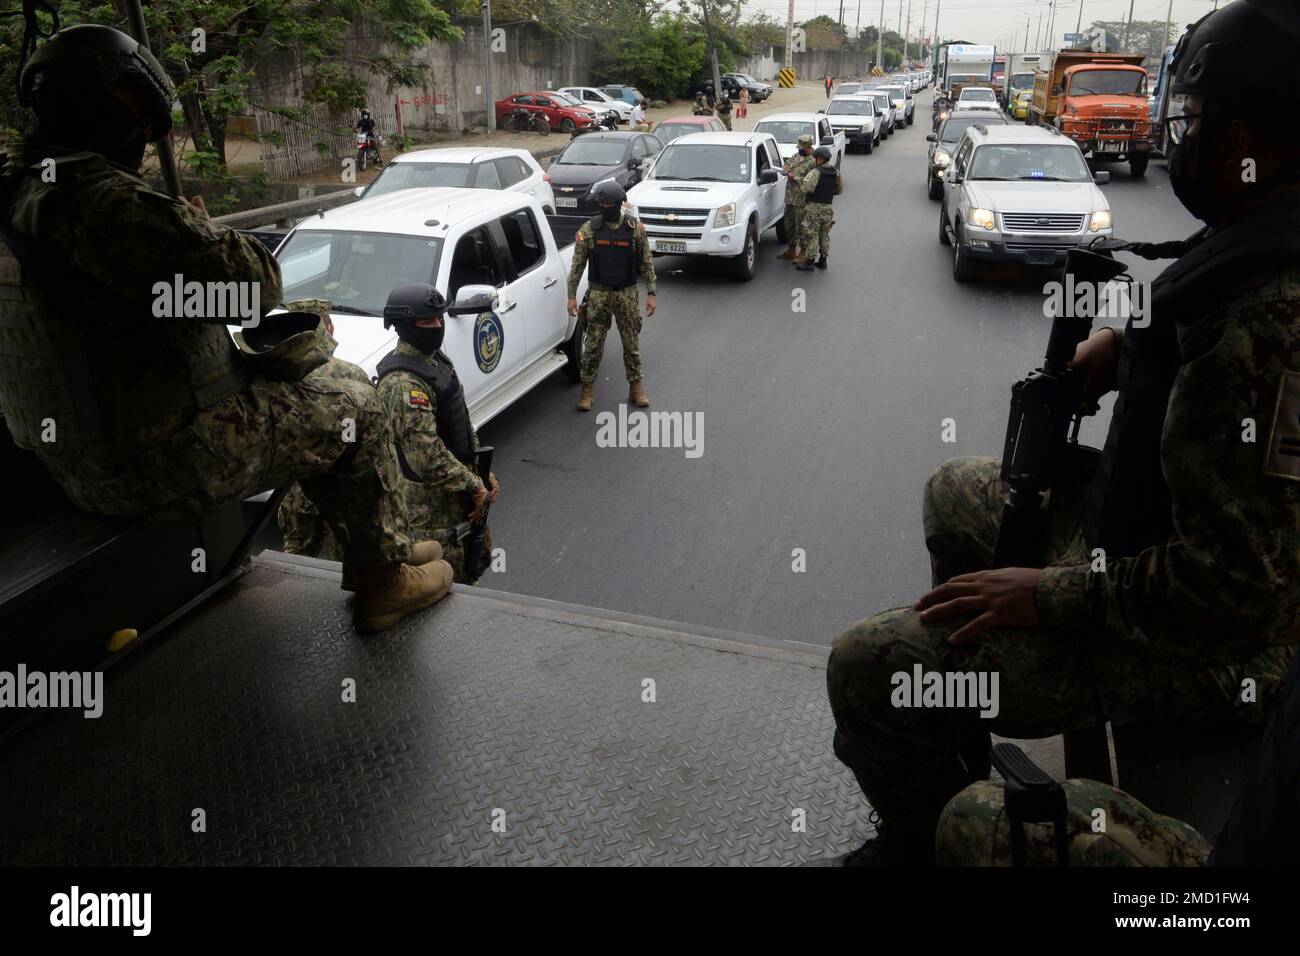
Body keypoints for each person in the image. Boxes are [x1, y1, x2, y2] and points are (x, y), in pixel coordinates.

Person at [819, 0, 1300, 866]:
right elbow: (1203, 286)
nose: (1178, 141)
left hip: (1209, 646)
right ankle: (965, 715)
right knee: (957, 490)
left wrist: (1045, 596)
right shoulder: (1259, 227)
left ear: (1243, 140)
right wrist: (1123, 344)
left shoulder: (1277, 323)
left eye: (1193, 123)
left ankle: (930, 830)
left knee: (869, 667)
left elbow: (1230, 597)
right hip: (1141, 537)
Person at [0, 24, 451, 634]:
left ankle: (385, 543)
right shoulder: (102, 204)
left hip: (60, 463)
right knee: (357, 399)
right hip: (158, 463)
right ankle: (383, 580)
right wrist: (198, 227)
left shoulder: (14, 196)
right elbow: (253, 289)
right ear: (107, 104)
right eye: (138, 107)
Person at [374, 283, 499, 585]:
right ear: (403, 326)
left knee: (469, 572)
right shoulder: (403, 384)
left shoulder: (436, 361)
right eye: (426, 321)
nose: (437, 326)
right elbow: (426, 457)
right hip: (431, 511)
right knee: (443, 583)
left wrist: (483, 472)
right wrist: (475, 486)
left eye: (439, 319)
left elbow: (459, 420)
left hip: (458, 494)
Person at [566, 181, 656, 412]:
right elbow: (577, 266)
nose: (605, 206)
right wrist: (571, 296)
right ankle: (587, 391)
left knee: (631, 344)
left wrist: (651, 293)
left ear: (619, 204)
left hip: (626, 294)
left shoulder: (634, 228)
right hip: (598, 295)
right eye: (602, 203)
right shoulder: (589, 230)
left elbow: (646, 263)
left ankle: (636, 388)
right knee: (593, 345)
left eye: (609, 203)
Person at [791, 146, 841, 271]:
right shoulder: (836, 172)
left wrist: (800, 183)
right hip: (828, 208)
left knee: (811, 234)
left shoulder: (816, 172)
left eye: (816, 158)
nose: (815, 160)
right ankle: (823, 260)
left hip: (814, 208)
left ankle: (809, 261)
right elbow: (838, 190)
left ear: (820, 159)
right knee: (824, 234)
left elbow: (808, 188)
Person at [776, 133, 816, 261]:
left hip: (802, 200)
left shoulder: (813, 161)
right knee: (789, 225)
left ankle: (803, 252)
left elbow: (811, 182)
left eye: (802, 148)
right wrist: (786, 168)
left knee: (802, 227)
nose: (800, 150)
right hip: (790, 198)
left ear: (808, 147)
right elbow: (787, 164)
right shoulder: (797, 156)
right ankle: (791, 249)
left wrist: (796, 177)